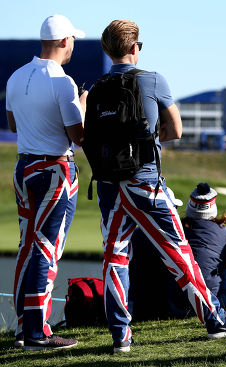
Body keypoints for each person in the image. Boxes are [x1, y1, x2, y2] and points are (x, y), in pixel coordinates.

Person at [94, 20, 226, 353]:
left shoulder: (98, 87)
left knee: (115, 258)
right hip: (146, 182)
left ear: (107, 49)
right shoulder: (153, 80)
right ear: (134, 47)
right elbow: (176, 129)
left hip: (109, 185)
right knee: (178, 253)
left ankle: (120, 338)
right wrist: (154, 140)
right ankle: (215, 319)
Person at [6, 14, 86, 351]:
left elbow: (12, 125)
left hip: (23, 169)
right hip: (54, 170)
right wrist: (83, 103)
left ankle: (25, 326)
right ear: (65, 41)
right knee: (45, 249)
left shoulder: (15, 77)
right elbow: (78, 136)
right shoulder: (63, 82)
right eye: (73, 41)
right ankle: (38, 332)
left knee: (28, 247)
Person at [182, 183, 226, 310]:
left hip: (178, 303)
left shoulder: (178, 230)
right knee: (225, 266)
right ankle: (223, 308)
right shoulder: (224, 232)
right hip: (215, 303)